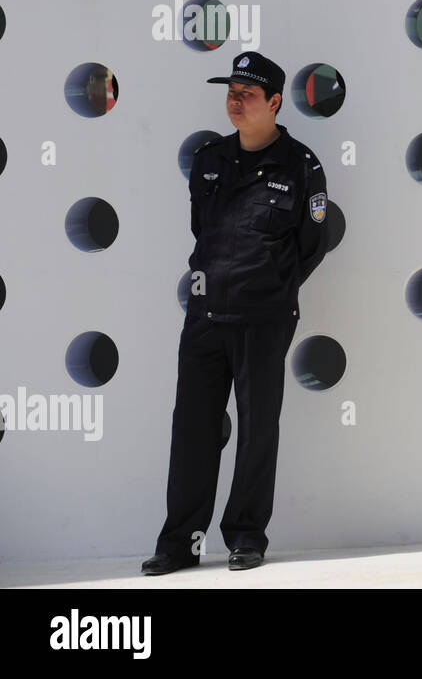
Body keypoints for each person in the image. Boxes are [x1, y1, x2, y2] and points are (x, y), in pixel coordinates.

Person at [142, 51, 329, 574]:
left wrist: (270, 290)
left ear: (274, 102)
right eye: (230, 93)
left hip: (264, 319)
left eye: (246, 95)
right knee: (193, 429)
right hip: (204, 317)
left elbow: (312, 244)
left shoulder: (302, 167)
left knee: (257, 429)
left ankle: (246, 537)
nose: (235, 102)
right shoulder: (208, 159)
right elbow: (203, 230)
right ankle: (180, 543)